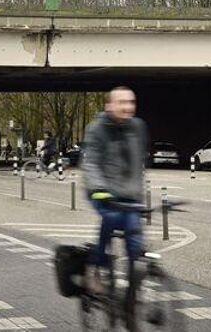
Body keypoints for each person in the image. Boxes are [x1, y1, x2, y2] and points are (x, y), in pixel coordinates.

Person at [81, 86, 148, 293]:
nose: (128, 107)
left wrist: (138, 197)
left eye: (131, 102)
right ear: (109, 105)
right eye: (122, 102)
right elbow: (90, 162)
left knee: (134, 236)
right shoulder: (97, 128)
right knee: (112, 217)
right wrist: (99, 189)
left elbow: (138, 164)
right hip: (102, 191)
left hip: (129, 194)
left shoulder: (138, 127)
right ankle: (96, 268)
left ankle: (131, 298)